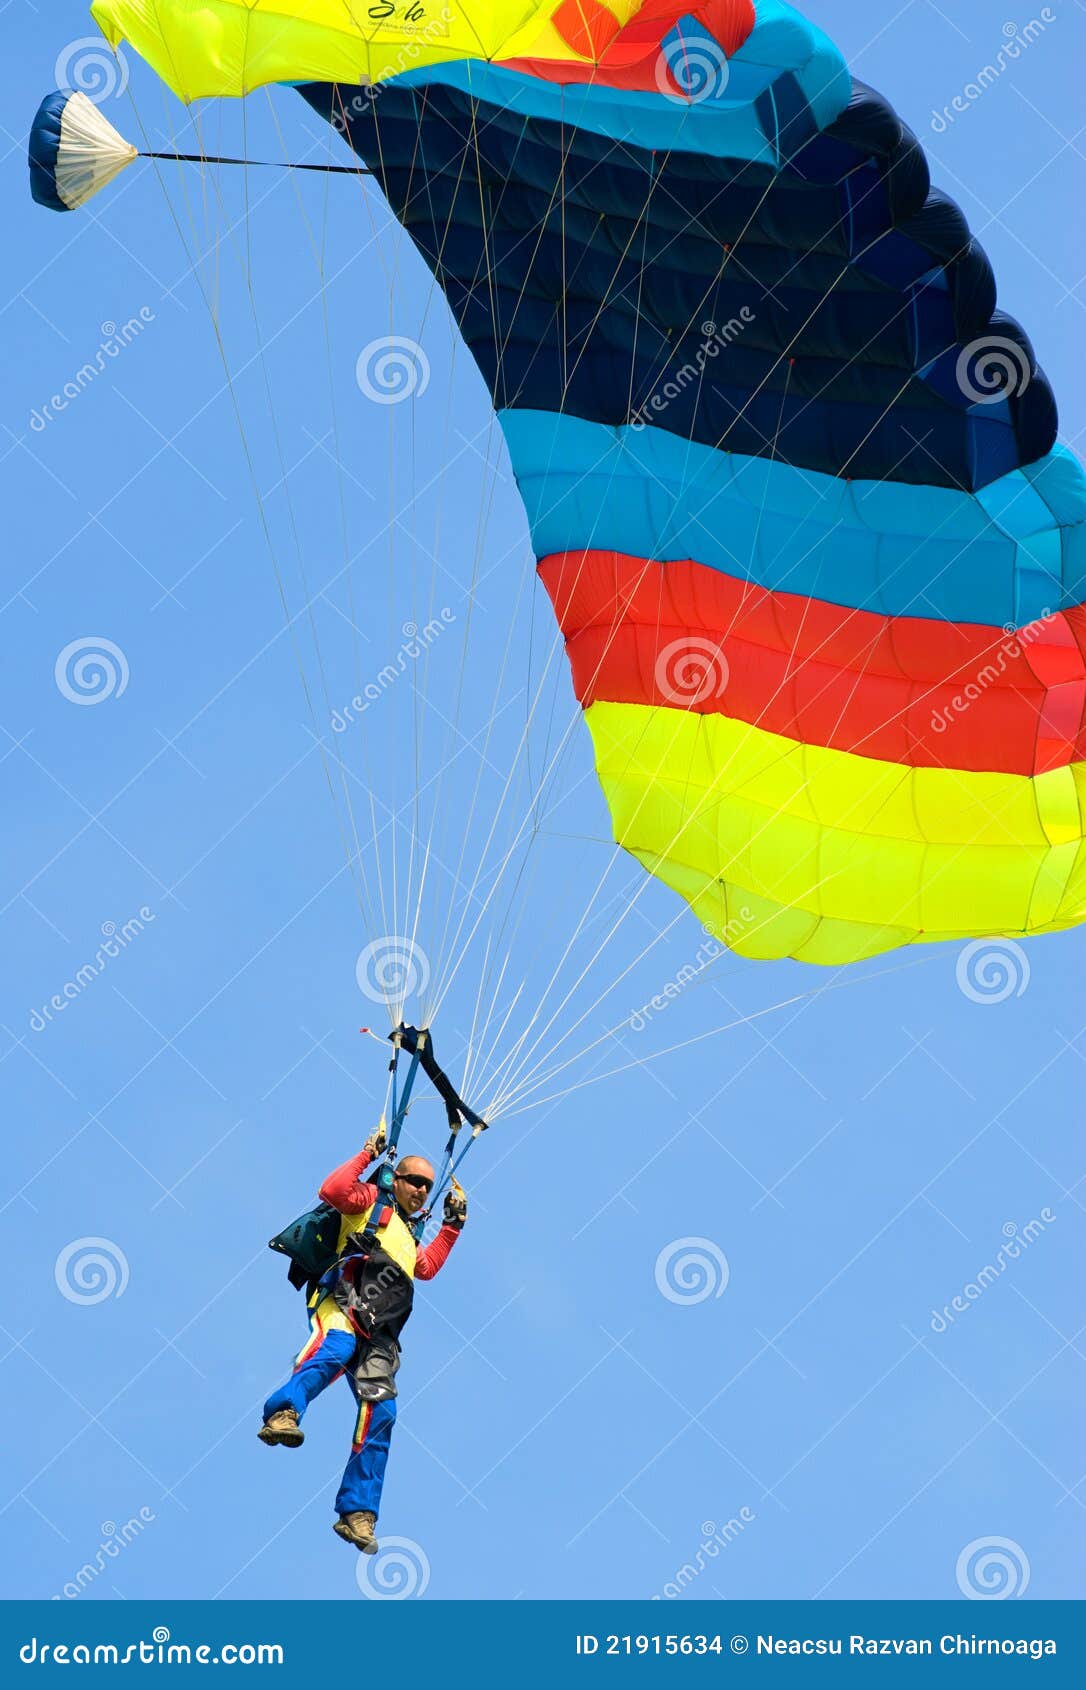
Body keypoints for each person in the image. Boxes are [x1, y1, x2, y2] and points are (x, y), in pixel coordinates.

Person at [258, 1123, 467, 1553]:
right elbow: (332, 1190)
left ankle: (357, 1513)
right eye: (416, 1182)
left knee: (382, 1411)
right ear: (397, 1179)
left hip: (380, 1332)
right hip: (344, 1301)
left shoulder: (408, 1235)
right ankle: (282, 1414)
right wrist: (367, 1153)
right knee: (335, 1349)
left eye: (429, 1186)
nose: (423, 1190)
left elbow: (424, 1268)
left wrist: (451, 1227)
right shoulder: (371, 1204)